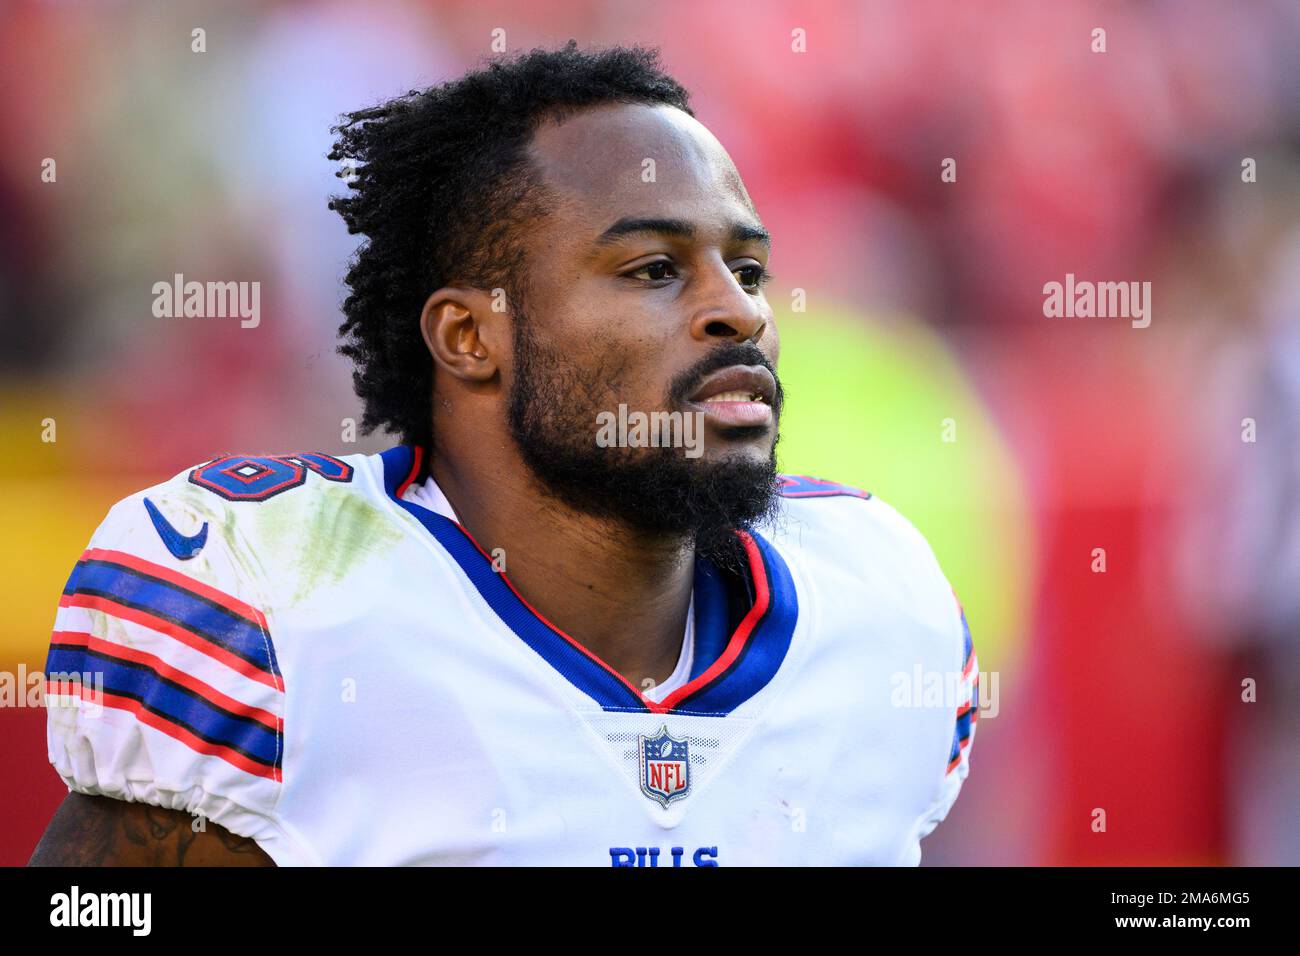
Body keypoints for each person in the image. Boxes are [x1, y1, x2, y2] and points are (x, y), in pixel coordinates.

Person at [30, 42, 976, 866]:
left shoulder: (879, 605)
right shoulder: (284, 611)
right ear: (470, 337)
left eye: (751, 267)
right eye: (654, 268)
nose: (741, 309)